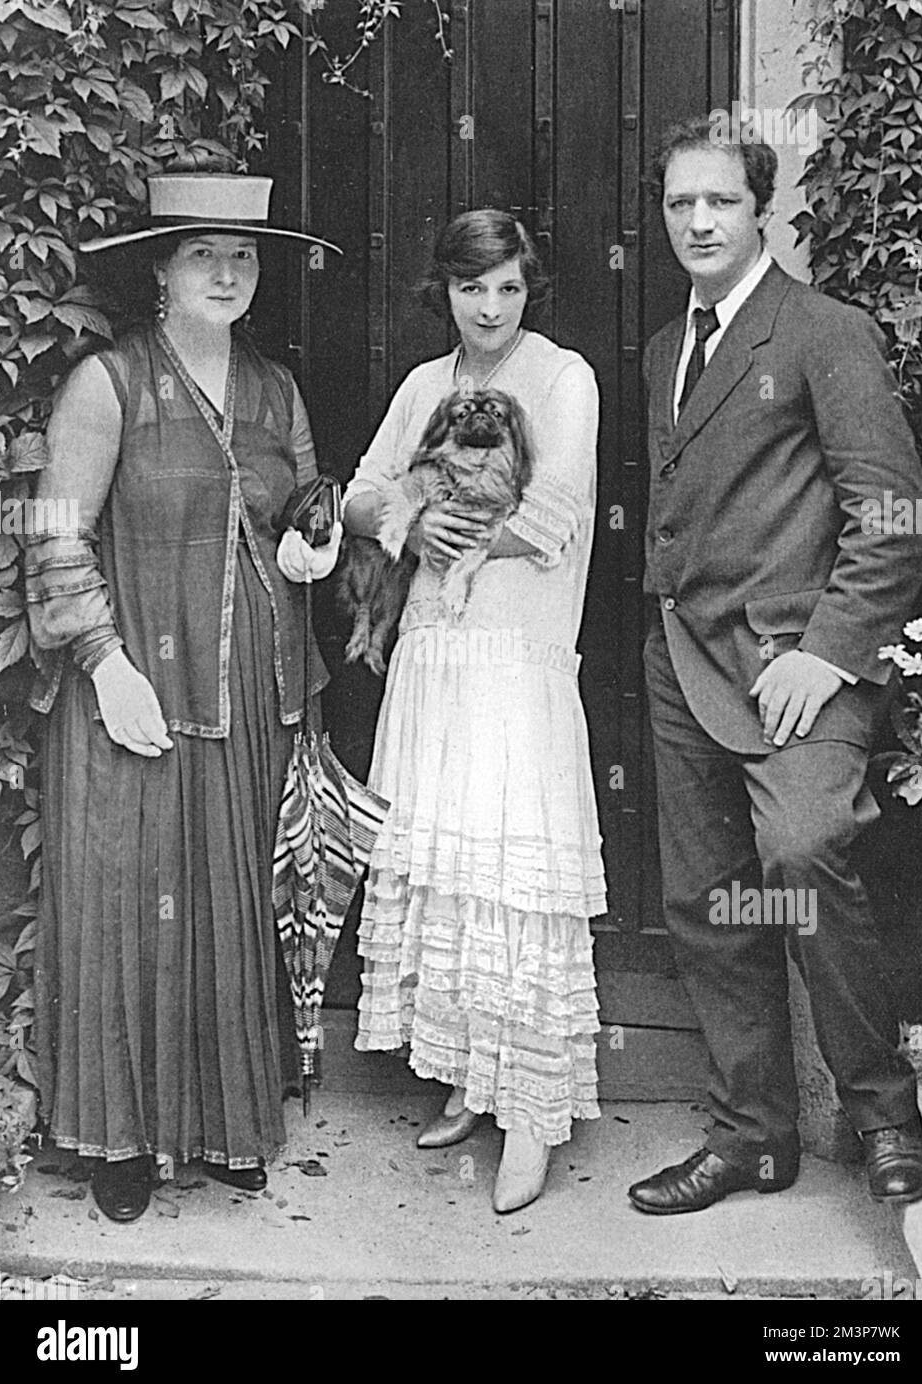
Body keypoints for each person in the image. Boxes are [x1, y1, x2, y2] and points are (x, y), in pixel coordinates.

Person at [629, 118, 922, 1216]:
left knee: (804, 859)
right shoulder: (668, 349)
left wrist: (827, 653)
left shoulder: (823, 331)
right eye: (679, 205)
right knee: (713, 902)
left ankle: (885, 1114)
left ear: (761, 206)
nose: (699, 222)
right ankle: (752, 1136)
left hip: (795, 668)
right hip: (683, 658)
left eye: (718, 201)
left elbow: (897, 515)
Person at [26, 173, 342, 1222]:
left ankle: (222, 1125)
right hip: (134, 690)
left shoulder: (274, 388)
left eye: (242, 256)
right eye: (202, 252)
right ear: (159, 269)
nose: (225, 272)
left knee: (229, 900)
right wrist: (105, 663)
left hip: (249, 690)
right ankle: (118, 1140)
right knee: (132, 908)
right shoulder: (108, 383)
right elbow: (55, 533)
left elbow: (305, 501)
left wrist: (315, 538)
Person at [343, 210, 607, 1214]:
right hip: (434, 656)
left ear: (528, 287)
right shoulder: (424, 385)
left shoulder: (563, 375)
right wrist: (409, 519)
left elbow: (555, 514)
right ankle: (465, 1073)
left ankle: (533, 1113)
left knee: (514, 874)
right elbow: (364, 495)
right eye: (470, 289)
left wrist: (453, 535)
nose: (489, 309)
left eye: (506, 287)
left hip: (516, 659)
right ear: (443, 291)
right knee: (449, 867)